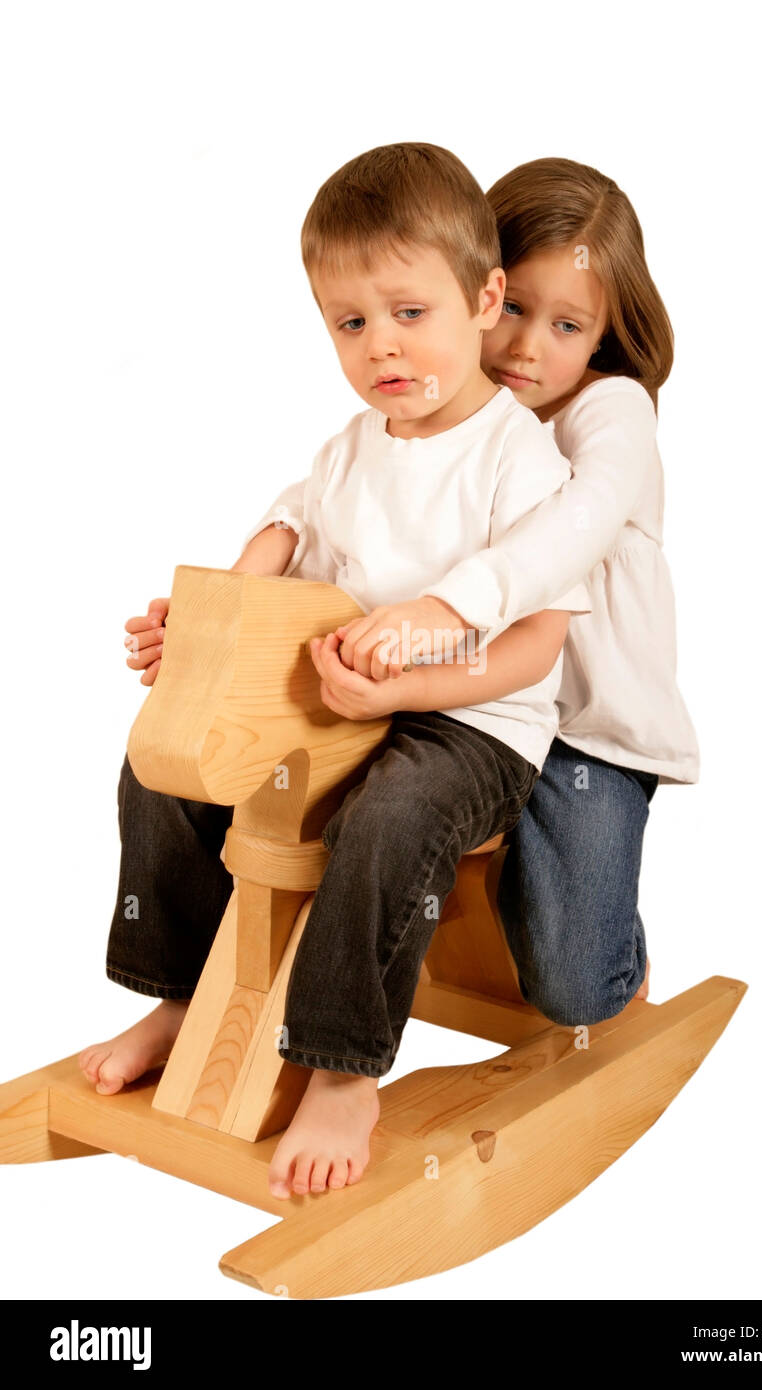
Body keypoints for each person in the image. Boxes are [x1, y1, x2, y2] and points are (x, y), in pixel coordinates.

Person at [78, 142, 588, 1199]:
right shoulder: (352, 448)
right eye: (349, 324)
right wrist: (215, 624)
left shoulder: (519, 460)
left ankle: (343, 1063)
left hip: (471, 721)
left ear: (485, 299)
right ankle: (178, 993)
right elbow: (284, 530)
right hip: (346, 699)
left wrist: (411, 683)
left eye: (408, 313)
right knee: (165, 763)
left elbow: (535, 644)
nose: (380, 348)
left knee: (389, 818)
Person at [334, 158, 700, 1028]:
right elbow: (346, 482)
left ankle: (616, 953)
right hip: (476, 711)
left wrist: (453, 606)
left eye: (568, 324)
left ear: (606, 336)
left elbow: (582, 517)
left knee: (572, 983)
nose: (530, 346)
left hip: (585, 735)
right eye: (518, 311)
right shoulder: (455, 411)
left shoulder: (610, 411)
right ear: (479, 293)